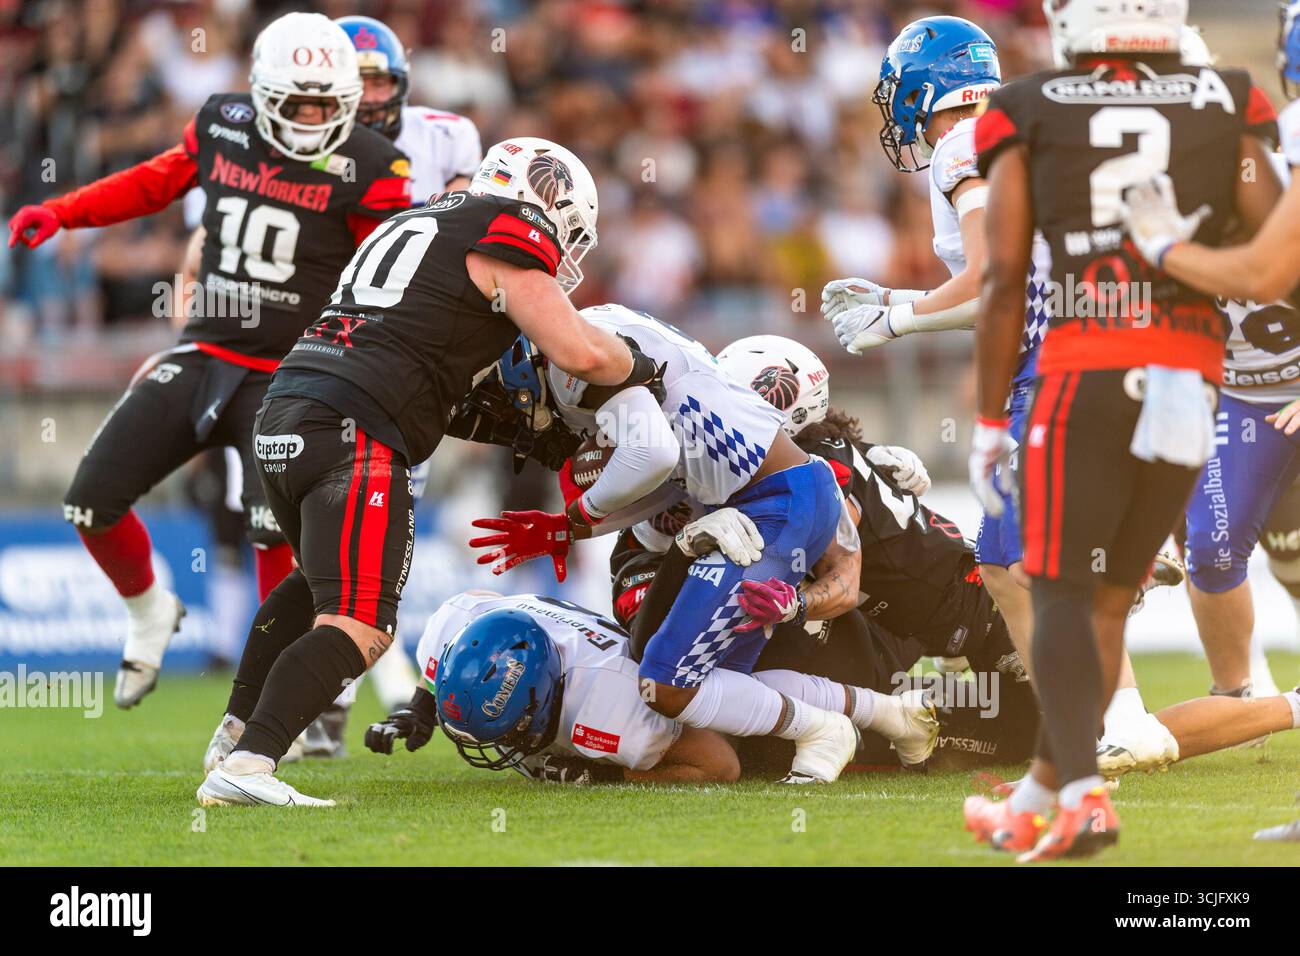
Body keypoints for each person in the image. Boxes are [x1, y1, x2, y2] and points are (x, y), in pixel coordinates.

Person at [196, 138, 657, 807]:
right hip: (353, 430)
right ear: (543, 196)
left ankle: (235, 730)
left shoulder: (421, 219)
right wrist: (648, 367)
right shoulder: (509, 226)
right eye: (569, 226)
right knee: (362, 623)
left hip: (287, 409)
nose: (567, 248)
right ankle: (251, 763)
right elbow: (579, 350)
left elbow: (423, 365)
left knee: (310, 587)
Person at [7, 12, 413, 709]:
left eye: (327, 103)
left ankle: (273, 703)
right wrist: (68, 210)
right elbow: (155, 180)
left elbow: (389, 280)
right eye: (299, 102)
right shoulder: (225, 124)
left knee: (270, 535)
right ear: (261, 94)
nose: (314, 117)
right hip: (203, 353)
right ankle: (148, 611)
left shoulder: (374, 167)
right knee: (91, 499)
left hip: (291, 375)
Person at [966, 0, 1279, 861]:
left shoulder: (1023, 106)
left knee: (1061, 589)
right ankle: (1047, 791)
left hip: (1087, 365)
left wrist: (991, 418)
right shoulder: (1230, 99)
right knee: (1104, 598)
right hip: (1191, 377)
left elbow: (1001, 282)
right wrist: (1182, 254)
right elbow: (1270, 258)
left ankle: (1080, 799)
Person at [467, 303, 863, 784]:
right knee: (719, 683)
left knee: (663, 686)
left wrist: (576, 514)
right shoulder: (602, 324)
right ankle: (889, 715)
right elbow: (668, 482)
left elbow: (651, 455)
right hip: (778, 496)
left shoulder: (576, 362)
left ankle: (825, 733)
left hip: (773, 503)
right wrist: (567, 528)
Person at [823, 16, 1049, 681]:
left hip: (1056, 362)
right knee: (1008, 563)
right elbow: (1003, 287)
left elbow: (991, 278)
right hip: (1098, 339)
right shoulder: (1020, 131)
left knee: (1019, 559)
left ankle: (1087, 731)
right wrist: (899, 305)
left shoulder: (962, 145)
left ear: (926, 87)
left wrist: (898, 320)